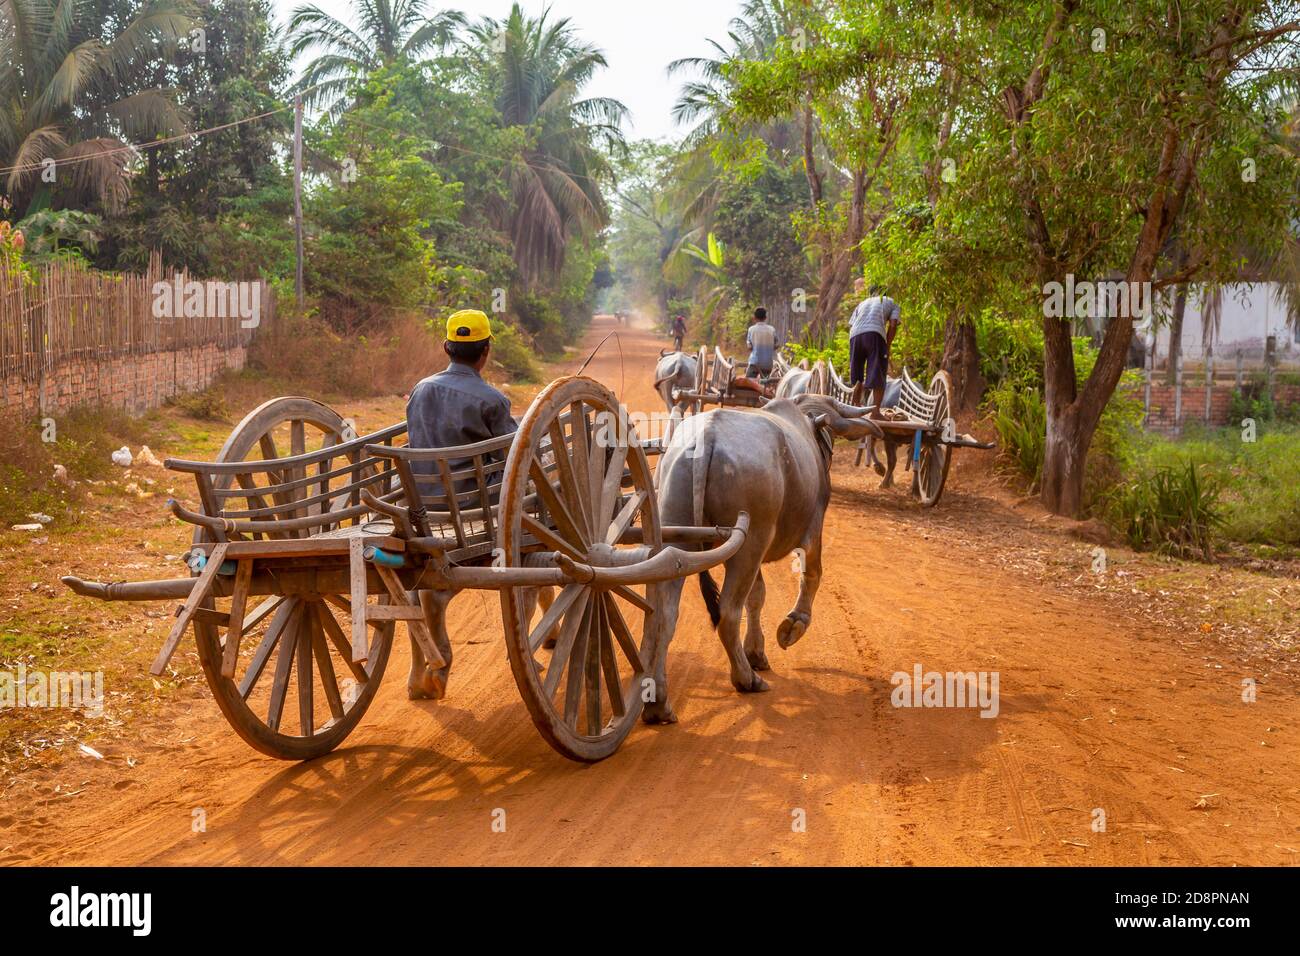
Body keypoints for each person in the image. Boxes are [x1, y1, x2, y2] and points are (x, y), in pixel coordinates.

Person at [407, 309, 517, 463]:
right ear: (486, 349)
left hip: (421, 485)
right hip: (475, 486)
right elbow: (513, 454)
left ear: (446, 347)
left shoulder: (420, 389)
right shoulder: (492, 400)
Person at [847, 278, 901, 416]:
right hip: (875, 335)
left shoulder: (862, 303)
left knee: (857, 373)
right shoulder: (891, 301)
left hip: (854, 336)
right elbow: (893, 325)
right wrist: (887, 346)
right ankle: (876, 412)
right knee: (879, 372)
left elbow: (852, 325)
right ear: (885, 293)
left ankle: (855, 407)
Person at [745, 307, 777, 378]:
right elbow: (776, 345)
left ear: (755, 317)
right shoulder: (772, 330)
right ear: (765, 317)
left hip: (755, 363)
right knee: (766, 383)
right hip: (768, 364)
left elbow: (749, 347)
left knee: (748, 380)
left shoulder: (751, 330)